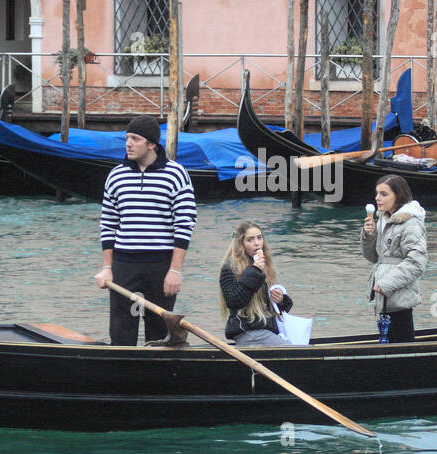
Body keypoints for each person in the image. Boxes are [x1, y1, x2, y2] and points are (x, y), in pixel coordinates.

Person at [95, 115, 197, 345]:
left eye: (135, 138)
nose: (128, 144)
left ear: (152, 144)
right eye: (127, 138)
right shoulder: (116, 176)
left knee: (159, 328)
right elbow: (108, 224)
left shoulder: (176, 174)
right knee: (121, 328)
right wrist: (107, 268)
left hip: (161, 263)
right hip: (124, 262)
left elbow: (185, 222)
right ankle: (122, 372)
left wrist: (175, 271)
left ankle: (157, 376)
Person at [361, 175, 427, 343]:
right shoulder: (383, 220)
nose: (377, 198)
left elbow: (417, 263)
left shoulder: (410, 223)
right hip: (384, 297)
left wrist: (385, 284)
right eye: (377, 193)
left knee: (402, 341)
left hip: (398, 295)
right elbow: (374, 257)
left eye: (384, 194)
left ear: (398, 195)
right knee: (389, 341)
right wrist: (370, 235)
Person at [219, 221, 293, 347]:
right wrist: (254, 270)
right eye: (250, 240)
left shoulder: (266, 265)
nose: (257, 243)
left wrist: (280, 300)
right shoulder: (230, 268)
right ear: (240, 243)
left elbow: (273, 309)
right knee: (292, 351)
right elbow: (234, 301)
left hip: (267, 330)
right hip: (249, 333)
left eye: (259, 238)